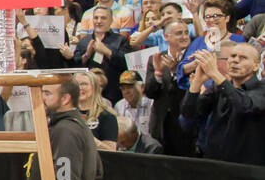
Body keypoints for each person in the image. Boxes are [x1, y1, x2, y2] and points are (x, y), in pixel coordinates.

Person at [31, 79, 101, 180]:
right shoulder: (68, 126)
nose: (42, 98)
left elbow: (65, 177)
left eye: (48, 93)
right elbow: (97, 169)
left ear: (65, 99)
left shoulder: (66, 131)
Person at [181, 42, 265, 165]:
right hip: (215, 166)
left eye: (243, 58)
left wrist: (215, 74)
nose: (235, 61)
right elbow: (189, 114)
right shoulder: (218, 87)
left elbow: (244, 106)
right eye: (233, 56)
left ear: (256, 66)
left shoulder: (261, 88)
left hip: (247, 171)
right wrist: (196, 83)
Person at [143, 17, 196, 157]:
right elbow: (150, 92)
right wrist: (159, 73)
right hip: (160, 125)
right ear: (166, 37)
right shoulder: (157, 58)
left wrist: (175, 72)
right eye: (179, 33)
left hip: (185, 125)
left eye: (186, 33)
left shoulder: (194, 59)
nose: (184, 37)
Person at [72, 4, 129, 103]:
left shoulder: (121, 40)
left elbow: (126, 63)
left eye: (103, 18)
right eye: (96, 18)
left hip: (113, 93)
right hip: (88, 95)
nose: (99, 21)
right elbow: (75, 66)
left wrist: (106, 51)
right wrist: (87, 55)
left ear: (111, 20)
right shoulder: (84, 41)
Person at [74, 69, 118, 151]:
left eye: (84, 84)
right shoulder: (68, 114)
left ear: (94, 87)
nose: (79, 88)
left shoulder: (107, 116)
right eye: (76, 84)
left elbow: (111, 150)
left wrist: (92, 140)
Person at [113, 70, 154, 138]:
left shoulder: (151, 104)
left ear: (142, 87)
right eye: (123, 89)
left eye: (130, 87)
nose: (126, 92)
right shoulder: (119, 106)